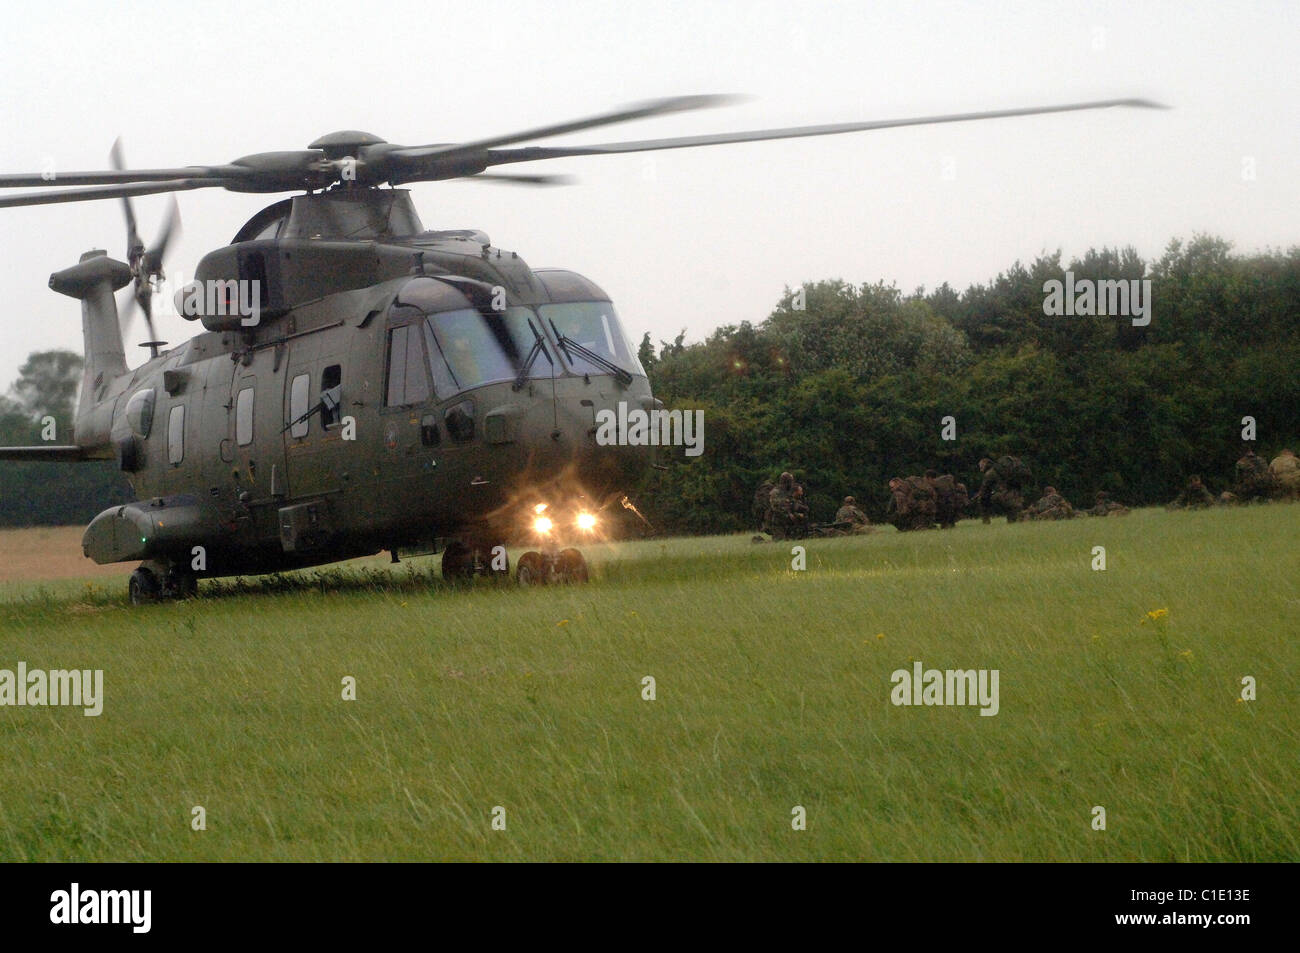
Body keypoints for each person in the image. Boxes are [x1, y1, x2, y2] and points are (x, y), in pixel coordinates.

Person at [976, 455, 1028, 524]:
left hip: (1004, 497)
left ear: (985, 466)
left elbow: (984, 490)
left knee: (981, 500)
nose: (980, 469)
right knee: (1013, 517)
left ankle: (986, 522)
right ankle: (1014, 521)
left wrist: (978, 496)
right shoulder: (1006, 471)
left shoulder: (990, 474)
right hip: (1017, 497)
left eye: (981, 467)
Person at [768, 472, 797, 539]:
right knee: (779, 540)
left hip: (788, 522)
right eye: (790, 481)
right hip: (778, 521)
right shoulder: (775, 492)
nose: (792, 483)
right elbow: (775, 507)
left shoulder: (787, 492)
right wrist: (788, 514)